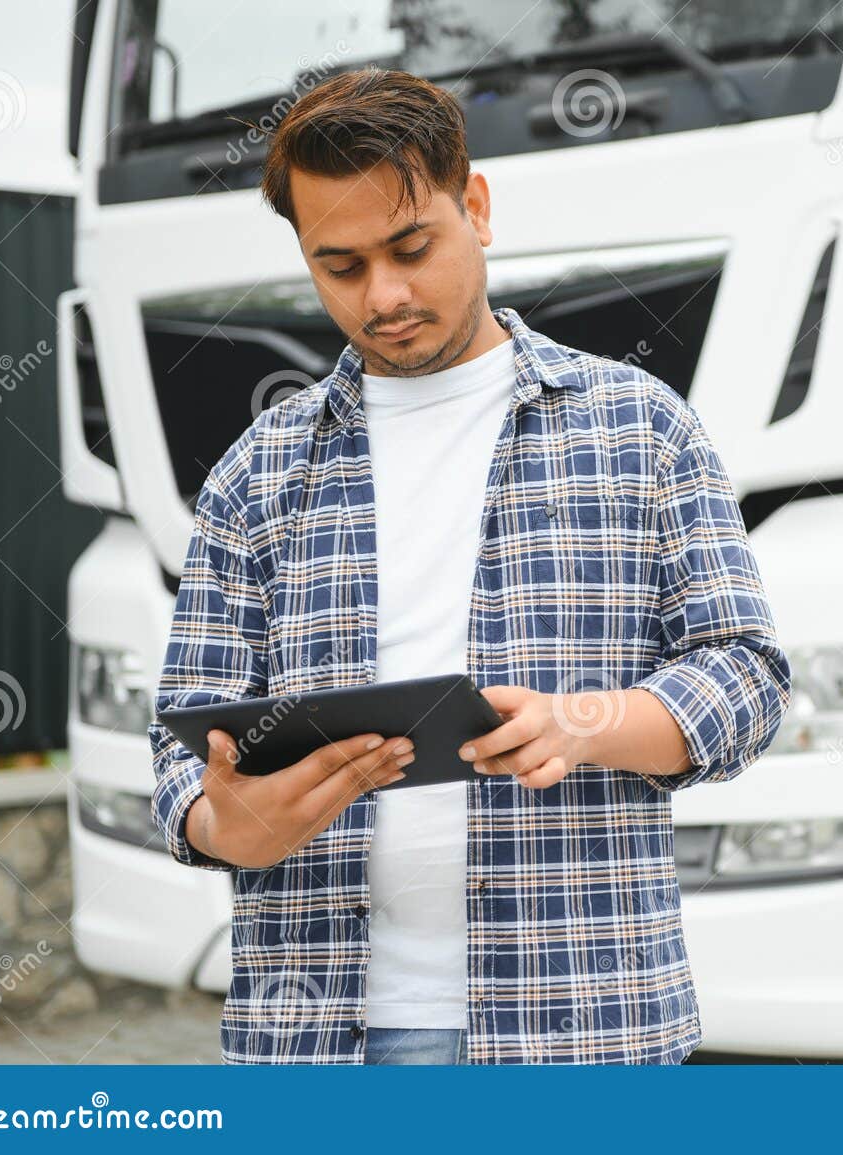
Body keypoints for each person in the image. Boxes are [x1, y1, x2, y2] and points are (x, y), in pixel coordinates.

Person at [147, 67, 791, 1065]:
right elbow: (181, 742)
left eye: (411, 248)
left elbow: (745, 679)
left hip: (580, 1032)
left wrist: (586, 724)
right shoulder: (254, 475)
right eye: (341, 266)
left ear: (476, 208)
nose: (385, 295)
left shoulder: (642, 429)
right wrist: (222, 825)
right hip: (312, 1041)